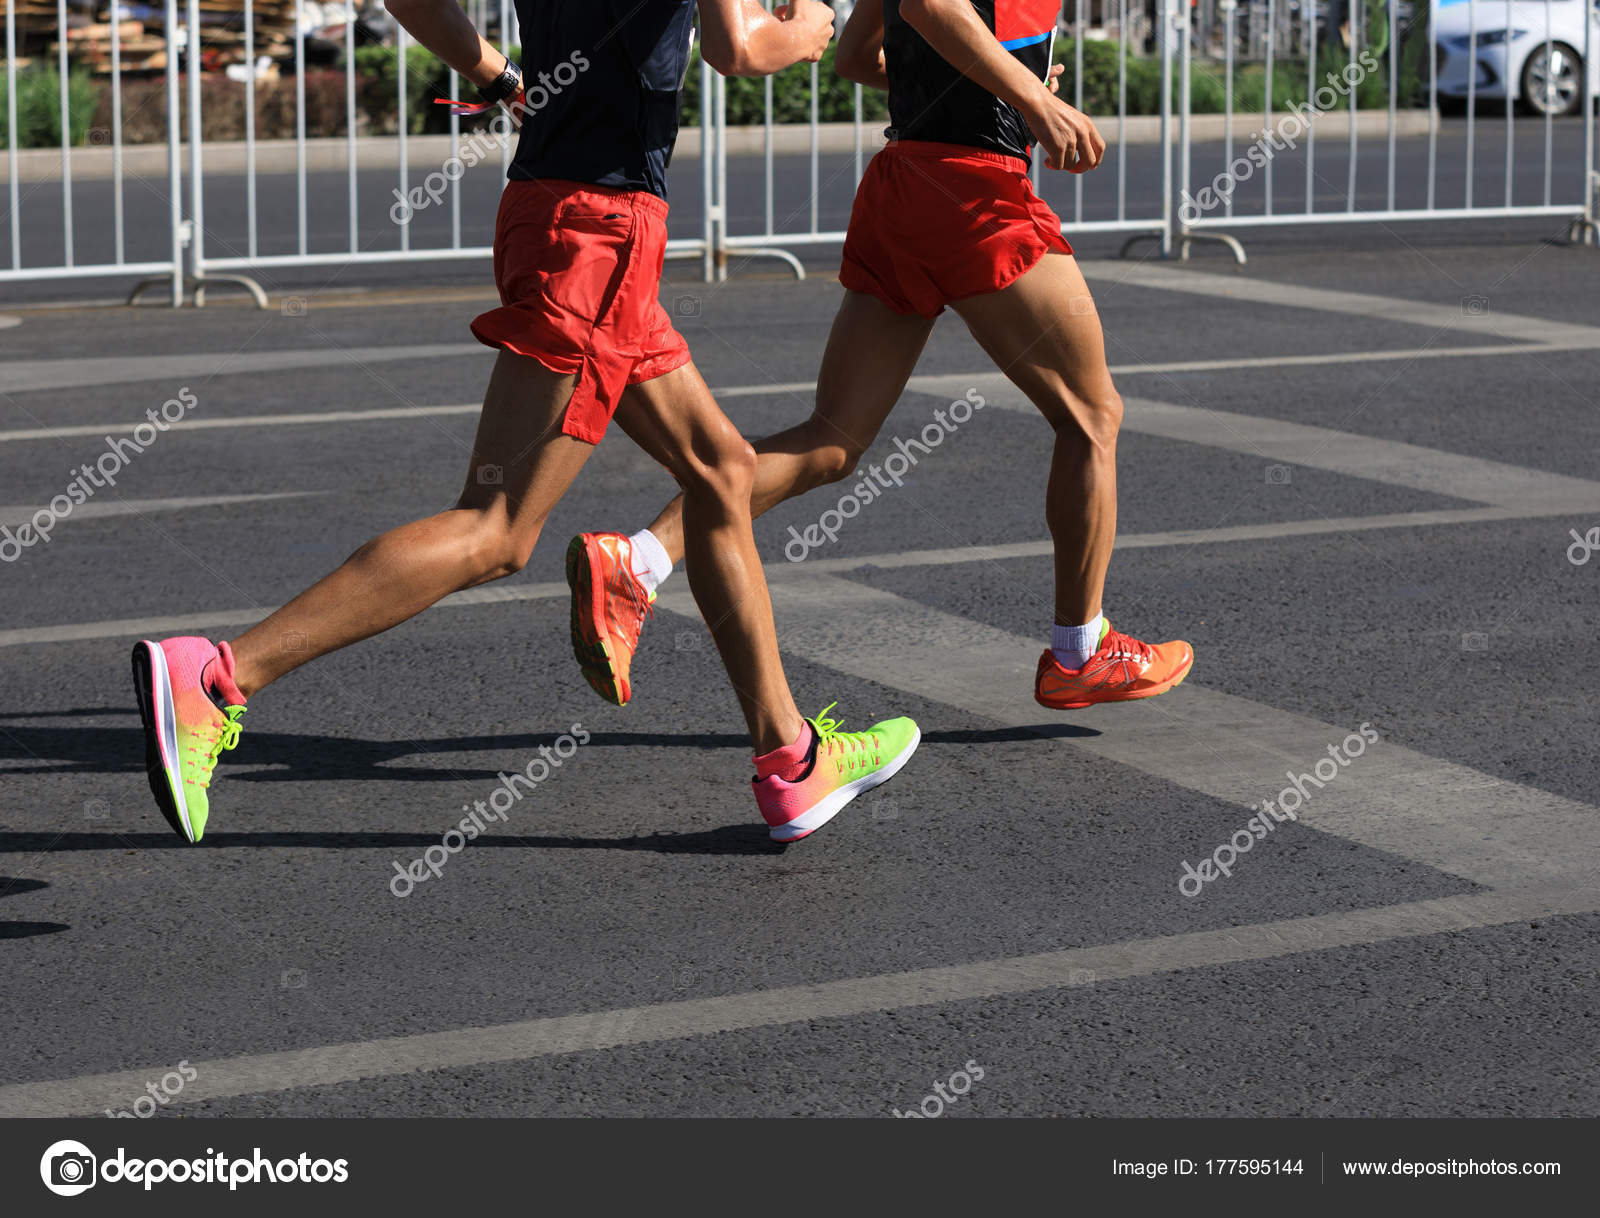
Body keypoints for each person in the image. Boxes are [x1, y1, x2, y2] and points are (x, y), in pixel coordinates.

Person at [130, 0, 920, 847]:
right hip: (601, 232)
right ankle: (216, 678)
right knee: (496, 527)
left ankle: (790, 759)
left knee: (721, 472)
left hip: (552, 210)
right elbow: (742, 47)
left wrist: (500, 76)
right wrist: (814, 25)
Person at [566, 0, 1192, 717]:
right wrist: (1029, 96)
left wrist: (986, 75)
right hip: (973, 188)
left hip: (902, 187)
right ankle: (1082, 651)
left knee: (832, 442)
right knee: (1092, 415)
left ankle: (637, 562)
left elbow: (860, 54)